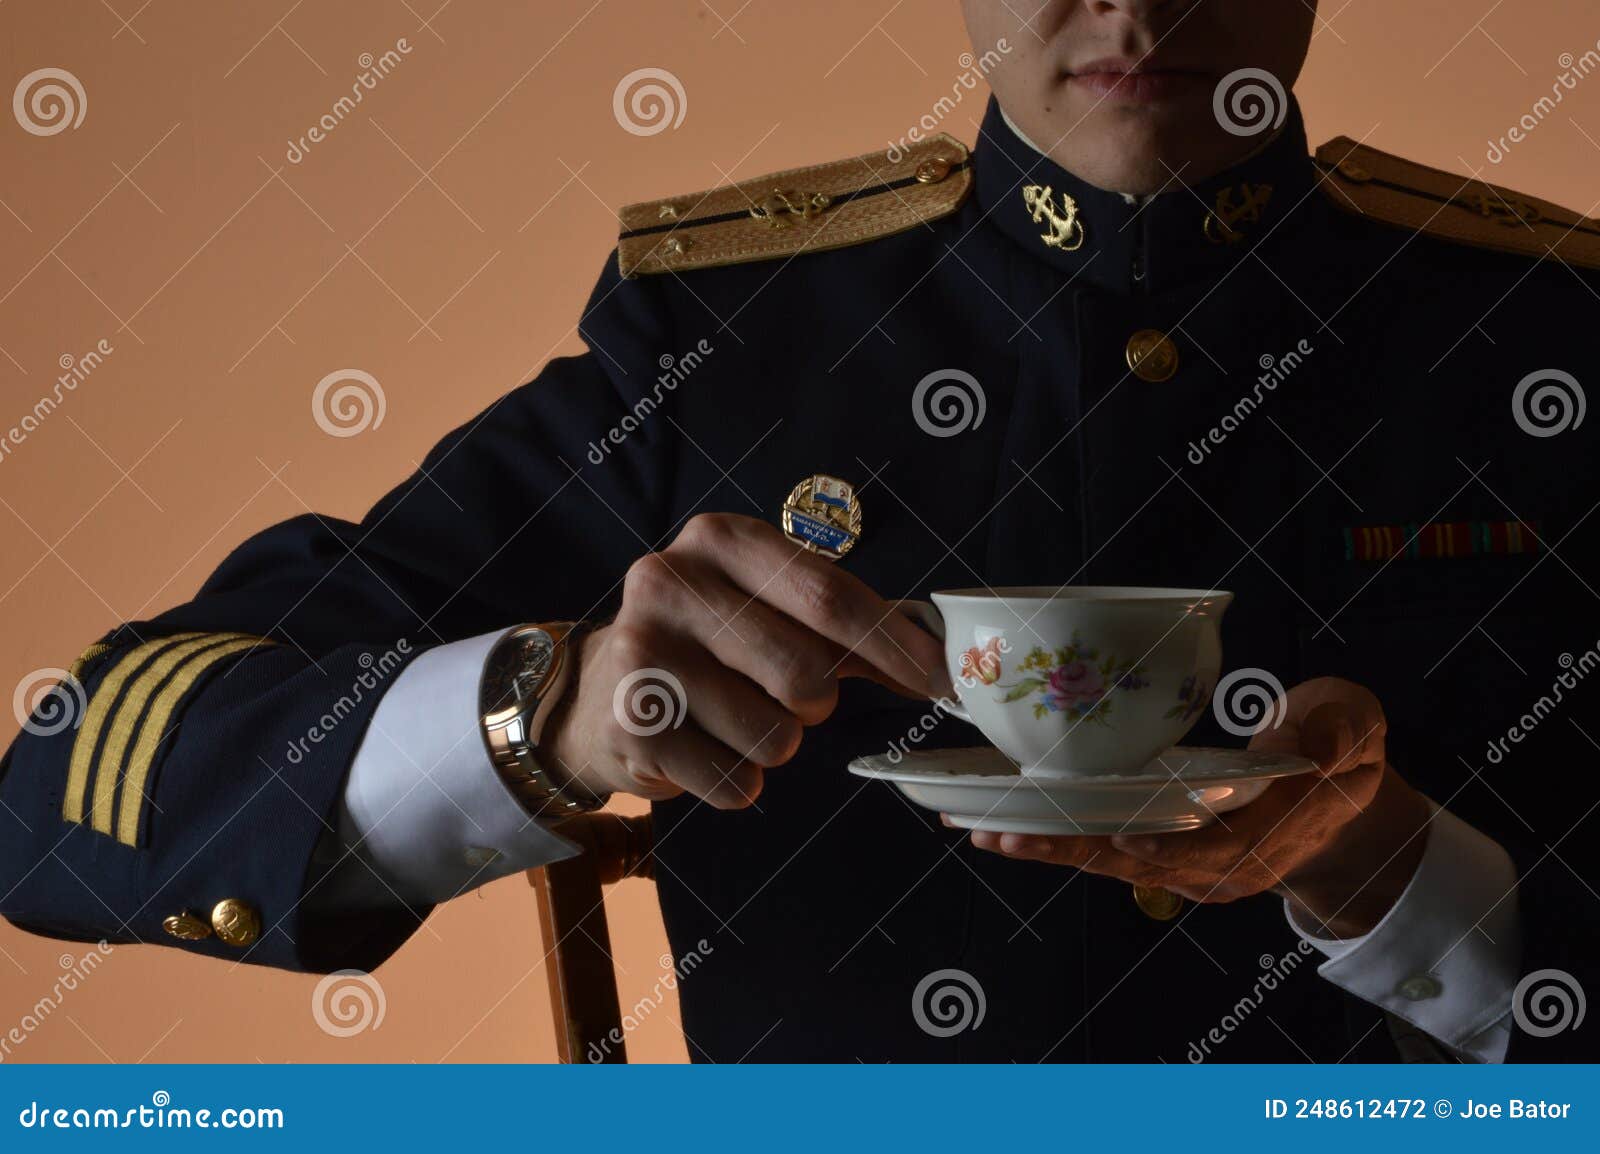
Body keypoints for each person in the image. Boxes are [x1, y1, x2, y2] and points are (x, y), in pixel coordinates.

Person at [4, 0, 1597, 1062]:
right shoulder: (728, 339)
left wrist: (1388, 872)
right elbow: (68, 791)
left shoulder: (1546, 335)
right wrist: (540, 718)